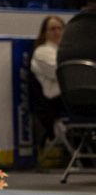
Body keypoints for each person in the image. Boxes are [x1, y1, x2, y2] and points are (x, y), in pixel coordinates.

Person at [32, 15, 66, 144]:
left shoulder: (65, 50)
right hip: (55, 101)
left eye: (59, 28)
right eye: (52, 29)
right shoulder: (42, 52)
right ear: (45, 33)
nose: (57, 32)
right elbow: (59, 72)